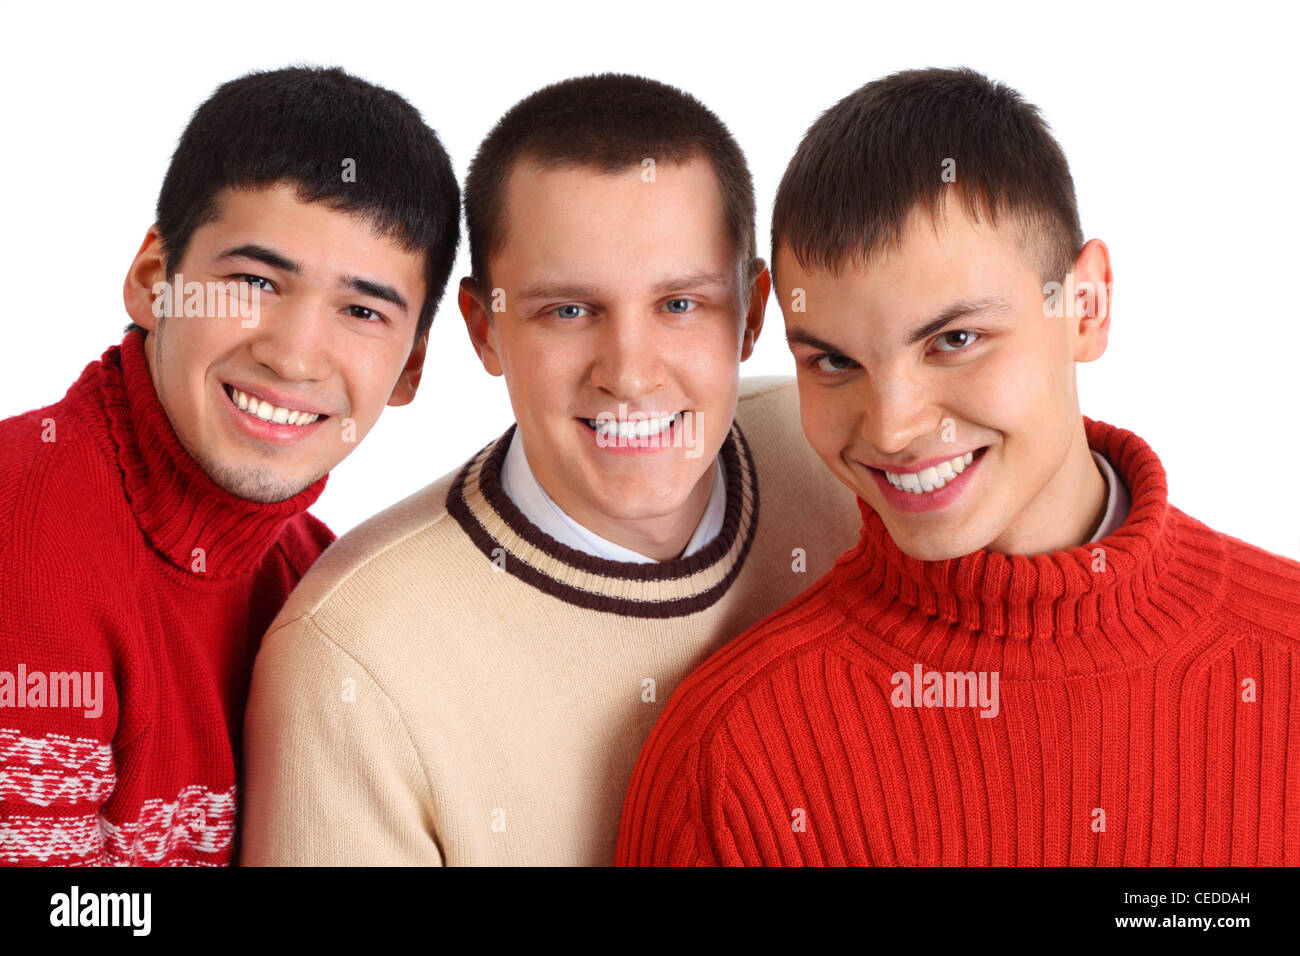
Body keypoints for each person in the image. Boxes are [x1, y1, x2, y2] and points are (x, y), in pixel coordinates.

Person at [616, 67, 1300, 866]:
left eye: (955, 340)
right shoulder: (735, 756)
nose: (894, 426)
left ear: (1086, 307)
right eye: (834, 361)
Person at [241, 73, 861, 866]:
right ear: (485, 329)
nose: (630, 374)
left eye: (681, 304)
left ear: (752, 313)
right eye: (567, 310)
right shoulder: (351, 658)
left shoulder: (845, 461)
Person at [0, 66, 459, 866]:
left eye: (361, 311)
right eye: (253, 281)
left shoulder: (311, 580)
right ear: (154, 283)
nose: (291, 354)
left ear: (411, 369)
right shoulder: (27, 530)